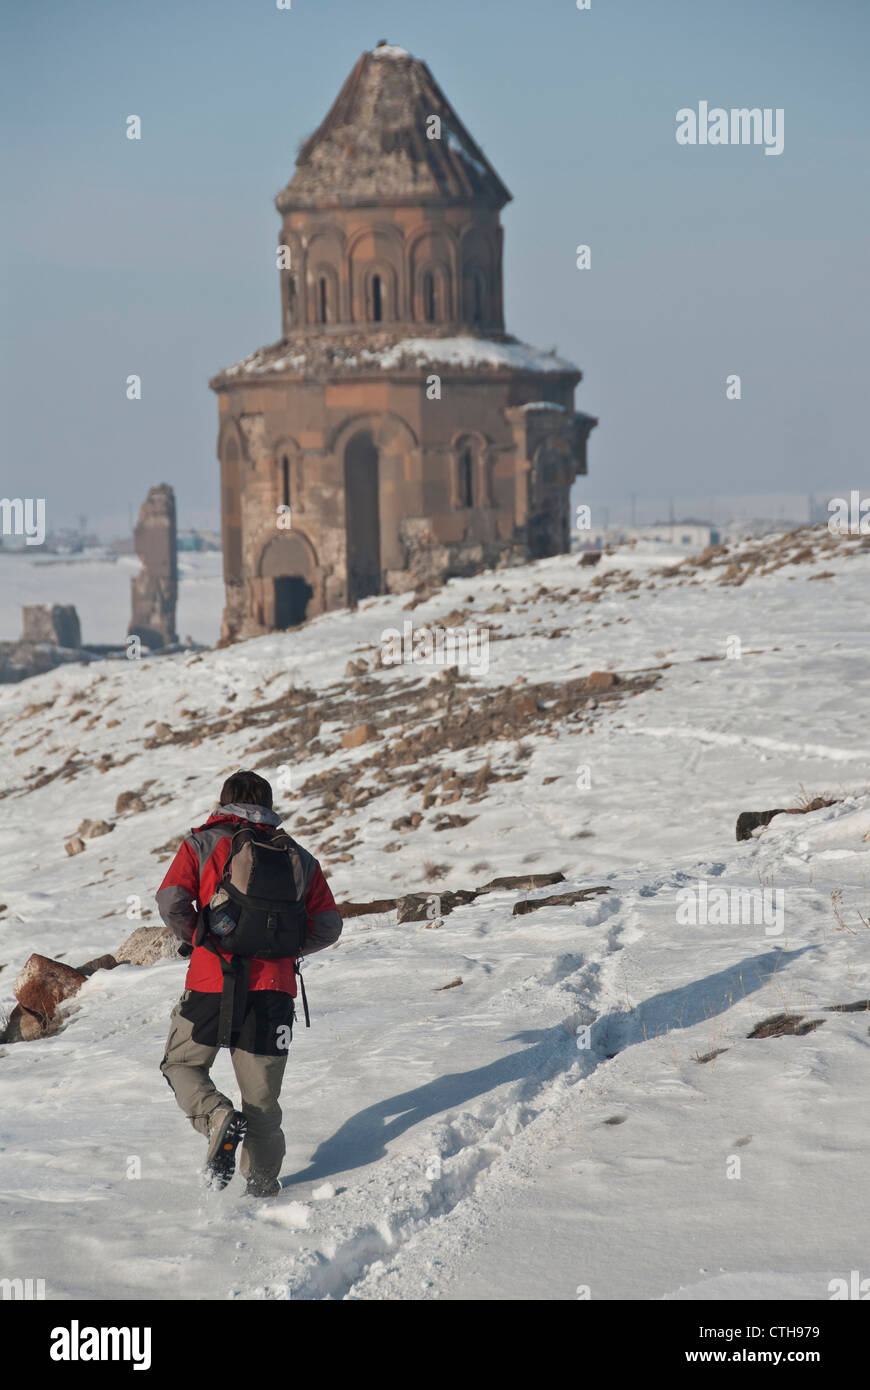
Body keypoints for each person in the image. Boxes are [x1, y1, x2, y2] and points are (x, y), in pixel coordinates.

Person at [156, 770, 342, 1197]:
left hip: (211, 981)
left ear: (223, 801)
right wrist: (285, 949)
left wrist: (199, 936)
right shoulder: (299, 856)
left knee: (181, 1065)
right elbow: (329, 926)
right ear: (269, 804)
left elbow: (170, 901)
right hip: (274, 992)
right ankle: (262, 1189)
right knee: (261, 1103)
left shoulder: (202, 843)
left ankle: (216, 1116)